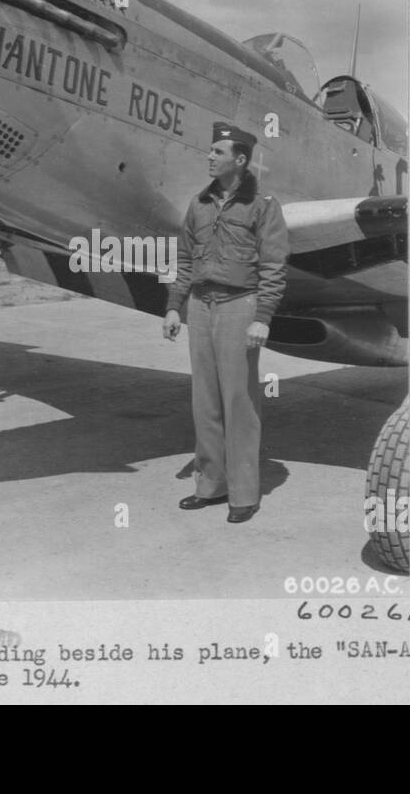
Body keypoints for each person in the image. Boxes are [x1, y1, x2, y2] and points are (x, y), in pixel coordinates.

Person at [163, 122, 289, 523]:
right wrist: (173, 306)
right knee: (205, 399)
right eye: (210, 150)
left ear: (240, 159)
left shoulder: (264, 204)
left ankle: (244, 494)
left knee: (239, 400)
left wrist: (263, 317)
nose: (209, 156)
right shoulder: (198, 204)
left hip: (240, 305)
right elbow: (184, 260)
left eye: (218, 151)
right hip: (200, 305)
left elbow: (273, 265)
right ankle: (210, 486)